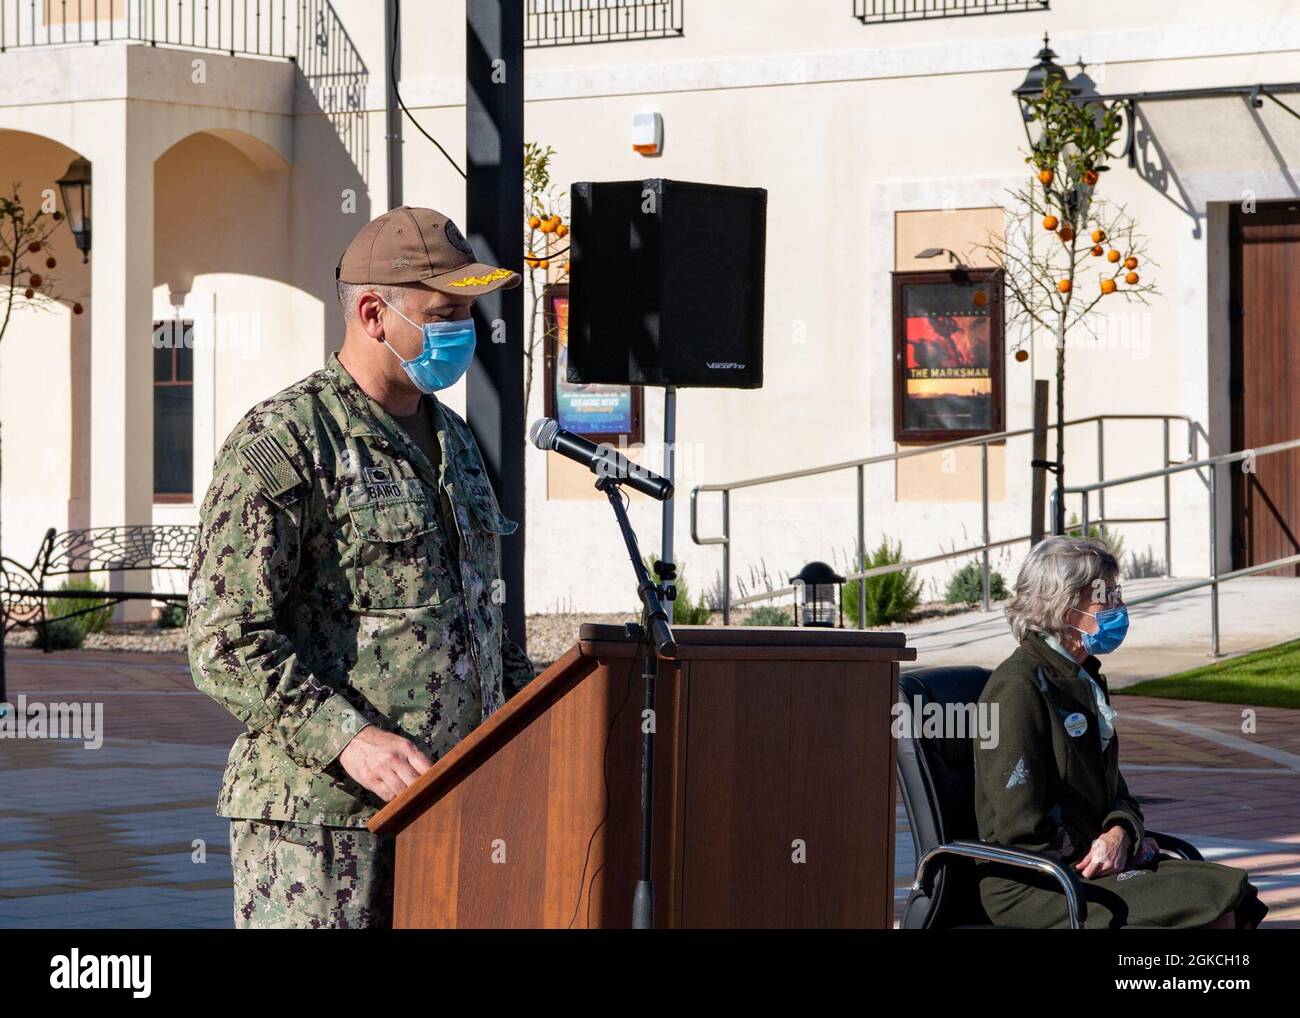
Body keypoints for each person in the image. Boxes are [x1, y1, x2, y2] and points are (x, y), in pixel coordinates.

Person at [186, 207, 536, 928]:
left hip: (451, 812)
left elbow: (480, 623)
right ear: (374, 312)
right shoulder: (284, 441)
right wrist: (347, 738)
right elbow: (224, 640)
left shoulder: (456, 443)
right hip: (320, 829)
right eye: (445, 313)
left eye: (468, 313)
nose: (464, 332)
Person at [973, 535, 1268, 929]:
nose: (1119, 607)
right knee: (1210, 907)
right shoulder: (1018, 687)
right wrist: (1098, 851)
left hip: (1085, 865)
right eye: (1105, 596)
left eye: (1118, 593)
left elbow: (1117, 793)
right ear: (1064, 605)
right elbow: (1018, 825)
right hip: (1036, 882)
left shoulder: (1080, 678)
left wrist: (1120, 833)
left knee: (1231, 898)